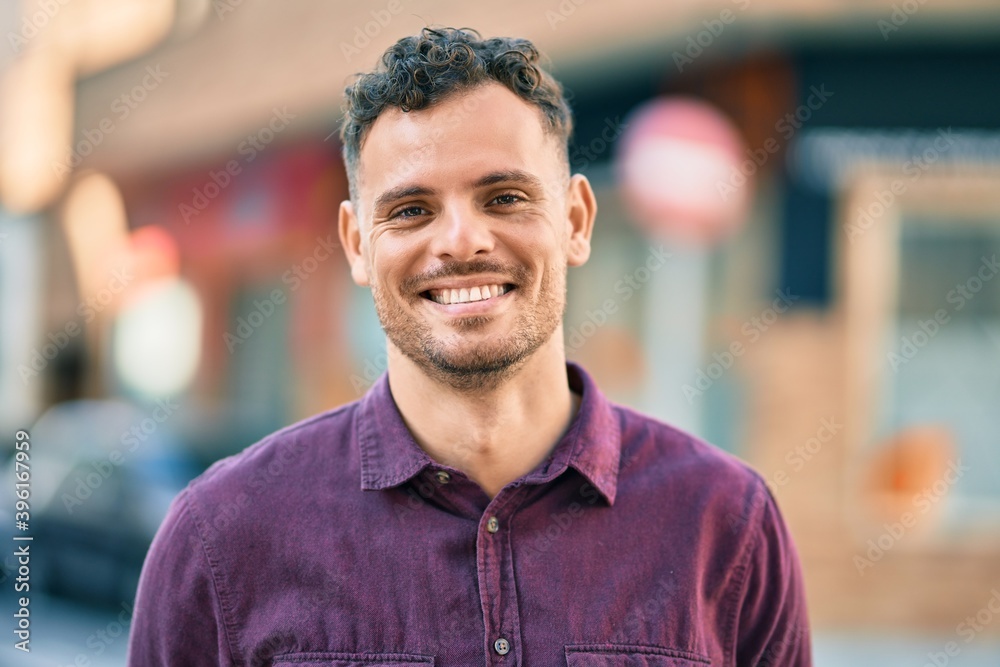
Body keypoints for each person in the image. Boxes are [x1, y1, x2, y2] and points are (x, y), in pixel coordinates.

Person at [127, 27, 812, 666]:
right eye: (411, 210)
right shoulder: (222, 535)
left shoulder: (725, 524)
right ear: (357, 244)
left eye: (505, 197)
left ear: (575, 220)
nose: (460, 240)